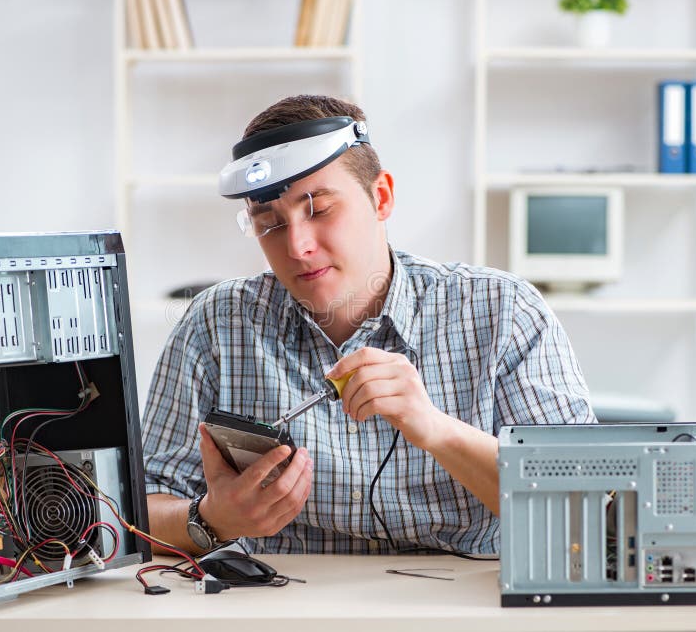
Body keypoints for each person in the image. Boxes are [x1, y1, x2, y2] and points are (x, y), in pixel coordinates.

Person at [141, 94, 595, 557]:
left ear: (381, 197)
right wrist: (212, 520)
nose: (297, 246)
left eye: (318, 209)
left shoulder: (505, 311)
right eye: (270, 223)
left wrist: (436, 429)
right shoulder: (216, 324)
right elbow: (136, 512)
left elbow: (587, 509)